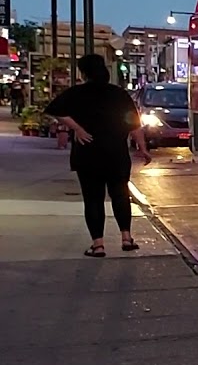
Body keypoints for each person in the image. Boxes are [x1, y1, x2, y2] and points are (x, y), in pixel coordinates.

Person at [44, 54, 151, 257]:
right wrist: (143, 147)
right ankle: (126, 239)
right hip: (116, 153)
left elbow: (55, 110)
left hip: (88, 152)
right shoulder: (118, 94)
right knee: (121, 195)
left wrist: (78, 129)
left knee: (93, 198)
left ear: (83, 73)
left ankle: (98, 245)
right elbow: (134, 122)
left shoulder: (76, 93)